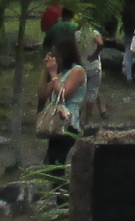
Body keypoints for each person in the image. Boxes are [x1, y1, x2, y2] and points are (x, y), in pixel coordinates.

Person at [37, 32, 87, 168]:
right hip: (55, 125)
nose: (55, 59)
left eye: (56, 55)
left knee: (61, 164)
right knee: (51, 165)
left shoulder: (77, 71)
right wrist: (45, 71)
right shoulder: (59, 74)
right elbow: (42, 94)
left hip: (69, 124)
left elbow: (64, 95)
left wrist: (53, 75)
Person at [76, 15, 107, 120]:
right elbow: (101, 43)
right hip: (94, 67)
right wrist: (94, 55)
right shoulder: (94, 33)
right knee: (92, 93)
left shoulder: (76, 35)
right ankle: (87, 120)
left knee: (79, 94)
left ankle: (77, 118)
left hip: (81, 67)